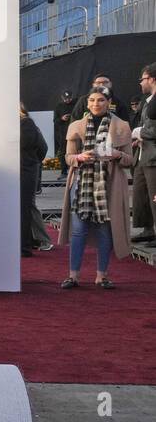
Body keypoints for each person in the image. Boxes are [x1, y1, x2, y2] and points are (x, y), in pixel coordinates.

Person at [60, 85, 132, 289]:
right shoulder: (76, 126)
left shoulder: (122, 126)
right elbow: (68, 158)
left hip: (109, 184)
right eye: (92, 100)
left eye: (100, 100)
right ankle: (73, 276)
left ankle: (102, 276)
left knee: (104, 230)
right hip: (81, 183)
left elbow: (130, 160)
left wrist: (116, 154)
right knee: (78, 230)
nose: (95, 104)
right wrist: (80, 157)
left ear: (109, 102)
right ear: (87, 102)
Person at [129, 64, 156, 244]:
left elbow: (152, 130)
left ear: (152, 79)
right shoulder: (147, 101)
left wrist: (139, 132)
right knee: (141, 195)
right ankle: (147, 229)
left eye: (143, 79)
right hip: (142, 154)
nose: (140, 83)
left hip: (153, 156)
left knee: (154, 195)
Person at [19, 103, 47, 257]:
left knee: (25, 207)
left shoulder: (26, 123)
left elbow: (42, 148)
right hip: (23, 169)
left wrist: (32, 164)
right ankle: (35, 240)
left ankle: (29, 244)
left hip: (25, 170)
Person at [54, 90, 75, 166]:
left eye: (69, 98)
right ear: (62, 98)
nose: (67, 100)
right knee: (63, 151)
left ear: (72, 97)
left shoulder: (76, 104)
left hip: (74, 132)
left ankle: (74, 167)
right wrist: (62, 118)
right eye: (65, 98)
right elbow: (55, 121)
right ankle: (64, 169)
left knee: (75, 150)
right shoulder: (59, 106)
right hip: (63, 133)